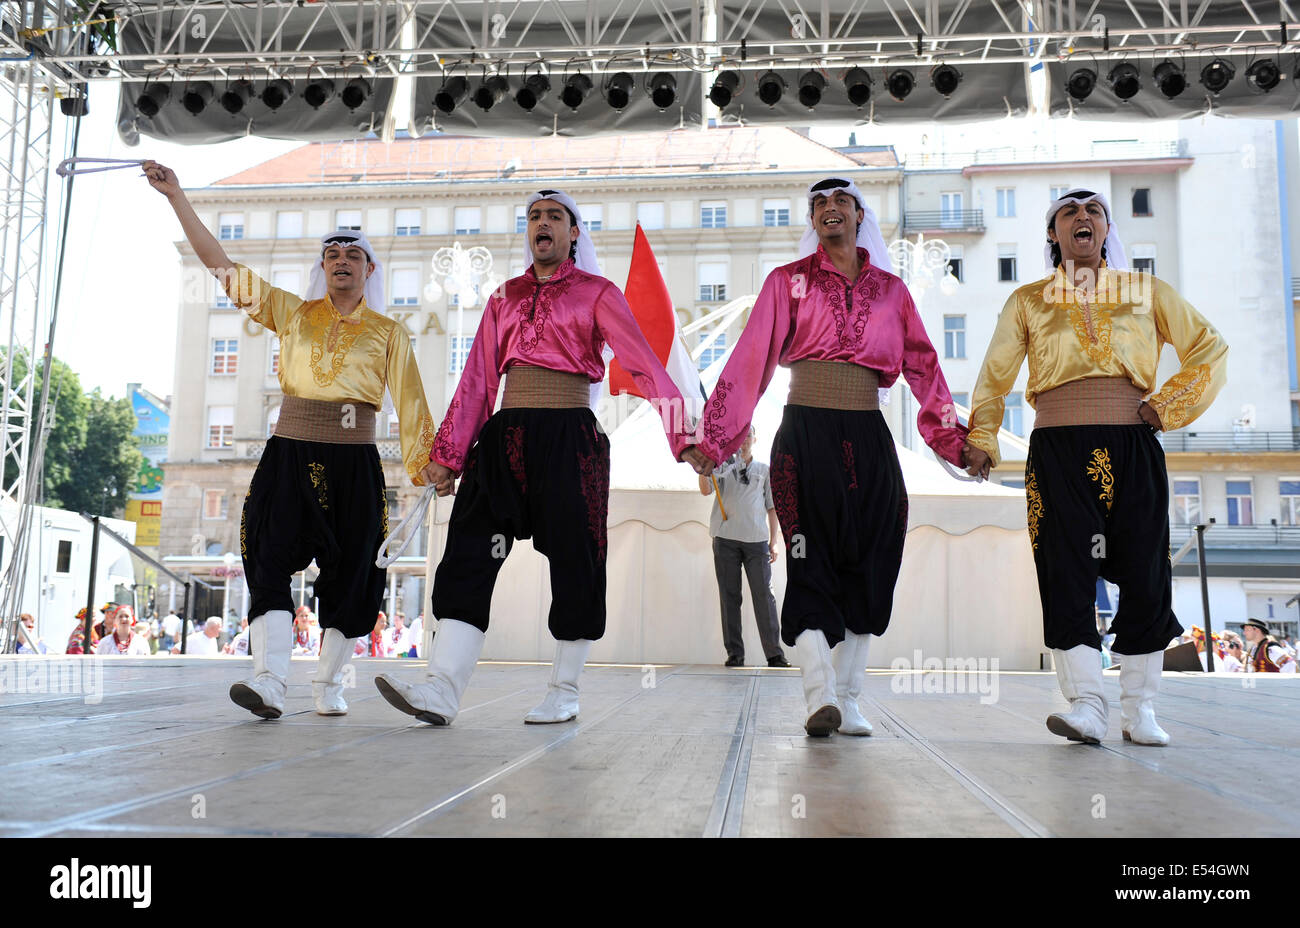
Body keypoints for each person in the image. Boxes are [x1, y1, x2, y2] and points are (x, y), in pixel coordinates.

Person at [375, 189, 709, 728]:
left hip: (570, 436)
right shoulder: (503, 297)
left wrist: (684, 436)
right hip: (505, 436)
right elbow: (479, 382)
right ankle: (440, 689)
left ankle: (564, 690)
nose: (542, 224)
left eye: (555, 216)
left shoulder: (598, 293)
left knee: (577, 558)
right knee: (466, 552)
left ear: (575, 233)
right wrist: (449, 455)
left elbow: (645, 364)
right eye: (534, 217)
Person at [145, 161, 438, 720]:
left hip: (355, 461)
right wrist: (177, 195)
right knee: (267, 554)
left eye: (353, 255)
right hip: (289, 454)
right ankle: (270, 681)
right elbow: (221, 266)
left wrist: (430, 467)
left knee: (356, 571)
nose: (341, 262)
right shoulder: (293, 313)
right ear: (322, 267)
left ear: (370, 269)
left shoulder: (388, 332)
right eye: (332, 254)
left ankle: (329, 684)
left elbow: (412, 401)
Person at [694, 177, 968, 737]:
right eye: (818, 203)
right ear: (812, 221)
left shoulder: (892, 292)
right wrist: (714, 438)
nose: (828, 208)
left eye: (841, 200)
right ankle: (820, 693)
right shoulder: (786, 283)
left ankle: (850, 697)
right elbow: (750, 363)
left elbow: (924, 368)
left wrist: (956, 443)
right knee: (808, 557)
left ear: (861, 215)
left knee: (875, 555)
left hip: (870, 436)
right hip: (804, 434)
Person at [964, 188, 1228, 746]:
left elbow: (1209, 348)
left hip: (1133, 443)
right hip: (1057, 448)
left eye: (1094, 211)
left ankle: (1141, 709)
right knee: (1065, 570)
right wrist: (983, 436)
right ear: (1053, 234)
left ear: (1107, 230)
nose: (1083, 217)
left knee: (1145, 571)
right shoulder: (1028, 300)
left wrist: (1168, 405)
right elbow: (994, 377)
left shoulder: (1146, 291)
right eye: (1069, 212)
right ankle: (1087, 703)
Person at [698, 426, 789, 668]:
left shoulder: (764, 470)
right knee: (729, 597)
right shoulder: (721, 466)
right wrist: (701, 468)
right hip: (725, 538)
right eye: (740, 436)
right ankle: (735, 653)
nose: (744, 441)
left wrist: (774, 541)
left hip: (756, 541)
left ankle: (774, 654)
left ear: (754, 439)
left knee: (765, 596)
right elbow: (706, 489)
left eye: (748, 435)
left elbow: (772, 507)